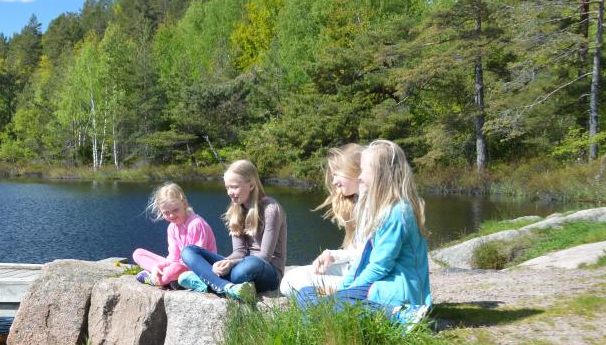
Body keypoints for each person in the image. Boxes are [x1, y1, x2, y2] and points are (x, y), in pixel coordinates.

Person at [294, 139, 431, 326]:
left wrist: (346, 294)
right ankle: (325, 320)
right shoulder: (384, 209)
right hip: (378, 288)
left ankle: (399, 316)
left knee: (320, 307)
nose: (359, 177)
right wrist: (343, 289)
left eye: (364, 170)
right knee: (305, 294)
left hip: (398, 292)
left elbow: (380, 267)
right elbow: (361, 261)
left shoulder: (397, 212)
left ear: (380, 174)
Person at [178, 159, 286, 303]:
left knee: (246, 268)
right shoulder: (236, 210)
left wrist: (232, 264)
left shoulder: (271, 209)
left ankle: (205, 279)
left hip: (267, 271)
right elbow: (239, 251)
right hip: (241, 265)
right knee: (188, 251)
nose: (230, 192)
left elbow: (265, 256)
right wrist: (225, 263)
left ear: (251, 185)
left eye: (234, 187)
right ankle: (226, 286)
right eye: (227, 187)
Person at [279, 144, 363, 297]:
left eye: (338, 174)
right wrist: (332, 255)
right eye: (333, 175)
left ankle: (340, 297)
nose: (334, 181)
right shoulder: (357, 203)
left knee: (293, 284)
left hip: (362, 278)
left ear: (357, 172)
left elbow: (371, 259)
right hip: (352, 269)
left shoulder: (376, 208)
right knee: (289, 280)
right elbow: (355, 253)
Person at [131, 182, 217, 288]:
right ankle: (156, 273)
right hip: (178, 264)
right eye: (166, 213)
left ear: (184, 204)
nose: (171, 215)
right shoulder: (172, 227)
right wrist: (159, 266)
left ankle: (155, 279)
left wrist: (171, 267)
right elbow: (173, 256)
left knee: (174, 269)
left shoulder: (196, 224)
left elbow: (197, 259)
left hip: (199, 267)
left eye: (175, 210)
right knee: (138, 253)